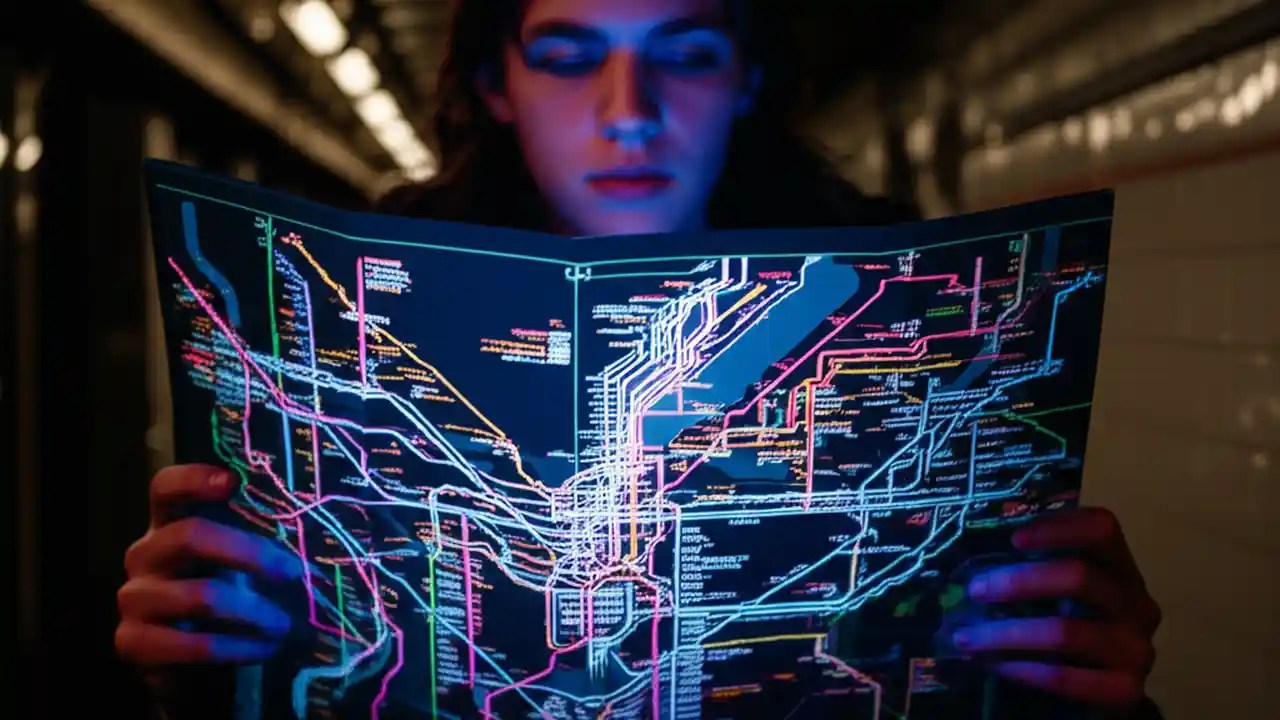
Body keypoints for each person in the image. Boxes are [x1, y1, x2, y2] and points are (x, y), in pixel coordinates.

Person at [115, 0, 1164, 717]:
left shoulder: (919, 338)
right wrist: (207, 675)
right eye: (570, 57)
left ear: (747, 78)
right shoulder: (345, 318)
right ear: (494, 84)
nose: (627, 113)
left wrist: (1086, 692)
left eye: (687, 52)